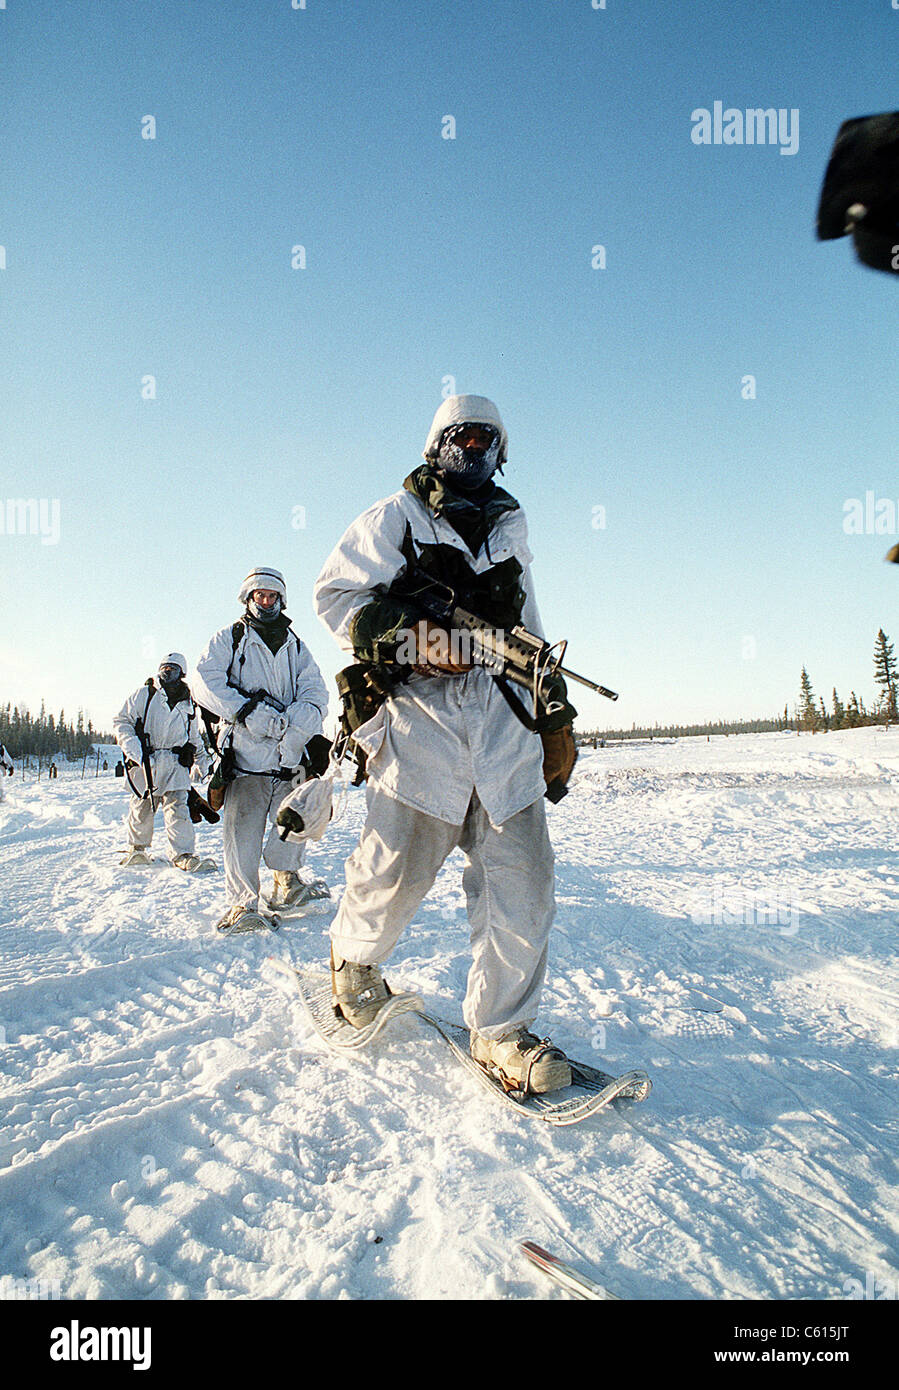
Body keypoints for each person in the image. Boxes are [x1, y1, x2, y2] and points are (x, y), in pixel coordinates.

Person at [313, 394, 578, 1094]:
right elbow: (336, 596)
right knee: (391, 874)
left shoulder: (509, 531)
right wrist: (411, 636)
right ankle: (354, 965)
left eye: (488, 440)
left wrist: (555, 719)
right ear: (435, 445)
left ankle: (502, 1033)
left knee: (522, 887)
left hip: (502, 733)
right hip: (420, 729)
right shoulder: (392, 517)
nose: (474, 449)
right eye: (461, 437)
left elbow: (529, 632)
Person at [193, 567, 331, 933]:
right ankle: (243, 903)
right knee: (243, 832)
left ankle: (287, 883)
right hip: (245, 754)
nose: (266, 602)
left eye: (272, 596)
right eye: (260, 595)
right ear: (249, 597)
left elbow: (316, 692)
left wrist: (297, 723)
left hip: (289, 755)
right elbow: (205, 682)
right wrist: (248, 712)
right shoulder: (230, 638)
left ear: (281, 599)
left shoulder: (296, 644)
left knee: (294, 822)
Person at [113, 654, 215, 870]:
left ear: (182, 673)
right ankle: (137, 849)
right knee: (142, 807)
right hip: (147, 761)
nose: (167, 671)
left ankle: (183, 854)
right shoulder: (145, 694)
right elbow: (122, 722)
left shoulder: (189, 702)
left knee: (178, 809)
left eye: (173, 668)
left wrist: (201, 761)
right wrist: (133, 748)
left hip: (176, 763)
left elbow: (193, 735)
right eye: (165, 667)